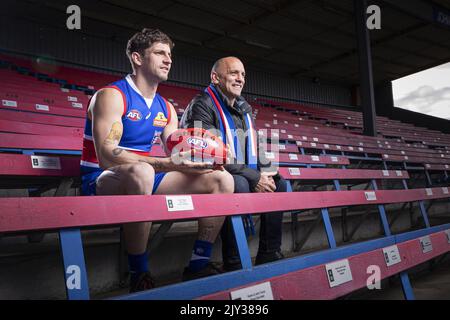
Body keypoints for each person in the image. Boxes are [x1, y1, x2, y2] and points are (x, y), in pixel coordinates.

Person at [80, 29, 234, 292]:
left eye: (170, 55)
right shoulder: (112, 96)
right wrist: (169, 164)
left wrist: (212, 150)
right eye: (160, 53)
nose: (168, 59)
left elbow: (175, 147)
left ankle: (198, 263)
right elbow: (107, 156)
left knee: (221, 179)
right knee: (142, 173)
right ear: (137, 58)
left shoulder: (166, 108)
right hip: (102, 178)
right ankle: (138, 272)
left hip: (147, 176)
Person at [180, 56, 287, 273]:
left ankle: (269, 253)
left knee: (280, 184)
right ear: (215, 77)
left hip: (234, 170)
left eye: (243, 75)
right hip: (204, 174)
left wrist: (267, 171)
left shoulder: (243, 108)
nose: (240, 79)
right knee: (238, 182)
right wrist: (254, 177)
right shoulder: (202, 105)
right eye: (234, 73)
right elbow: (209, 154)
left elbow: (255, 145)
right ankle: (235, 260)